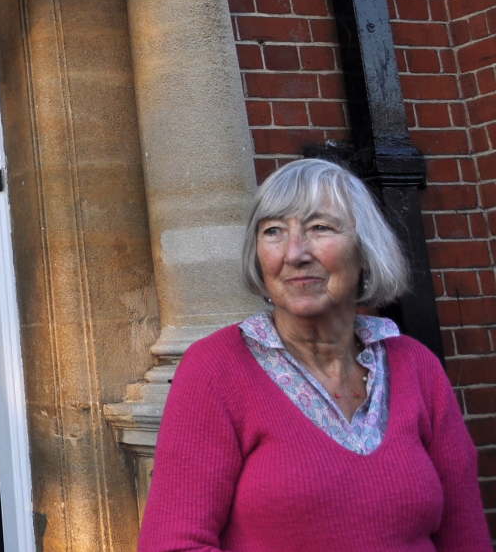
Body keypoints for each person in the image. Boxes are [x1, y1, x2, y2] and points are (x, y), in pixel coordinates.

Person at [138, 158, 488, 552]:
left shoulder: (416, 365)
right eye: (273, 231)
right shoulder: (216, 368)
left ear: (364, 248)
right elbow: (174, 544)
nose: (295, 253)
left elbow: (466, 538)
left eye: (320, 227)